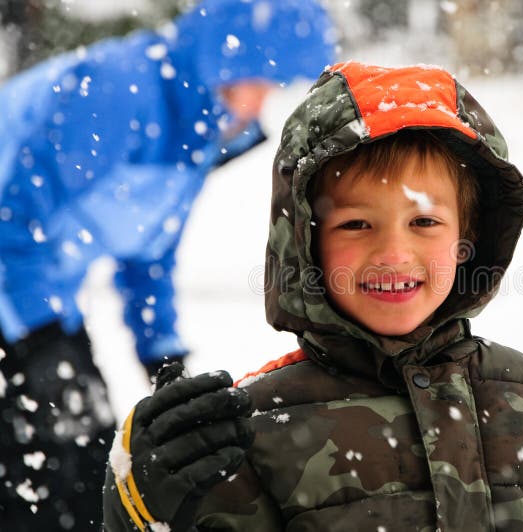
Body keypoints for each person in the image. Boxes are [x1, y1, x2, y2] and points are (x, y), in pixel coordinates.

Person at [102, 62, 523, 531]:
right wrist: (141, 510)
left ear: (468, 238)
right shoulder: (252, 434)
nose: (392, 253)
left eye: (425, 221)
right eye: (358, 224)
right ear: (305, 241)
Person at [0, 0, 334, 530]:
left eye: (269, 85)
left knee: (88, 462)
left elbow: (149, 250)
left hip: (38, 296)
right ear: (216, 60)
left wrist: (162, 355)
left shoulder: (196, 131)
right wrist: (40, 338)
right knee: (38, 469)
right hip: (22, 291)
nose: (256, 100)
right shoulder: (117, 90)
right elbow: (16, 217)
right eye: (250, 79)